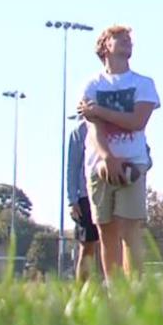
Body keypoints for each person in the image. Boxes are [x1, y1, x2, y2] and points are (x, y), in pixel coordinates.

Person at [78, 24, 160, 282]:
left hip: (133, 164)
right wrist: (107, 157)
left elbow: (137, 121)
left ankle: (133, 292)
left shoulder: (143, 83)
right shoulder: (92, 84)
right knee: (106, 232)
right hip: (99, 166)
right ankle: (114, 290)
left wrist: (100, 111)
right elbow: (93, 127)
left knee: (130, 231)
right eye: (119, 37)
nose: (127, 41)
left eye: (129, 39)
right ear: (105, 46)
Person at [66, 115, 102, 282]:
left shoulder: (117, 122)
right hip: (86, 197)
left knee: (112, 242)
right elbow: (72, 167)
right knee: (87, 246)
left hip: (111, 190)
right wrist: (72, 200)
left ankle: (113, 290)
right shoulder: (79, 131)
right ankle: (82, 291)